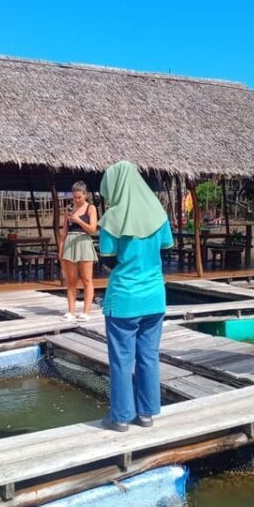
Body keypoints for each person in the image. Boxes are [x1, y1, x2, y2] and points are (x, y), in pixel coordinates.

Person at [97, 161, 174, 431]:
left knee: (121, 360)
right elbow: (165, 252)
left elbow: (106, 260)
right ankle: (147, 413)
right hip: (154, 297)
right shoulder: (159, 214)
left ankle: (120, 417)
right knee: (149, 356)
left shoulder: (112, 219)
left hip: (124, 299)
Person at [60, 181, 98, 322]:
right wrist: (61, 249)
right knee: (71, 280)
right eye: (74, 197)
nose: (76, 200)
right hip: (70, 243)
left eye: (79, 197)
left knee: (87, 279)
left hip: (84, 242)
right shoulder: (69, 209)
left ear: (85, 195)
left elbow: (92, 229)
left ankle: (86, 312)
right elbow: (64, 231)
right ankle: (71, 311)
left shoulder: (91, 208)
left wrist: (78, 220)